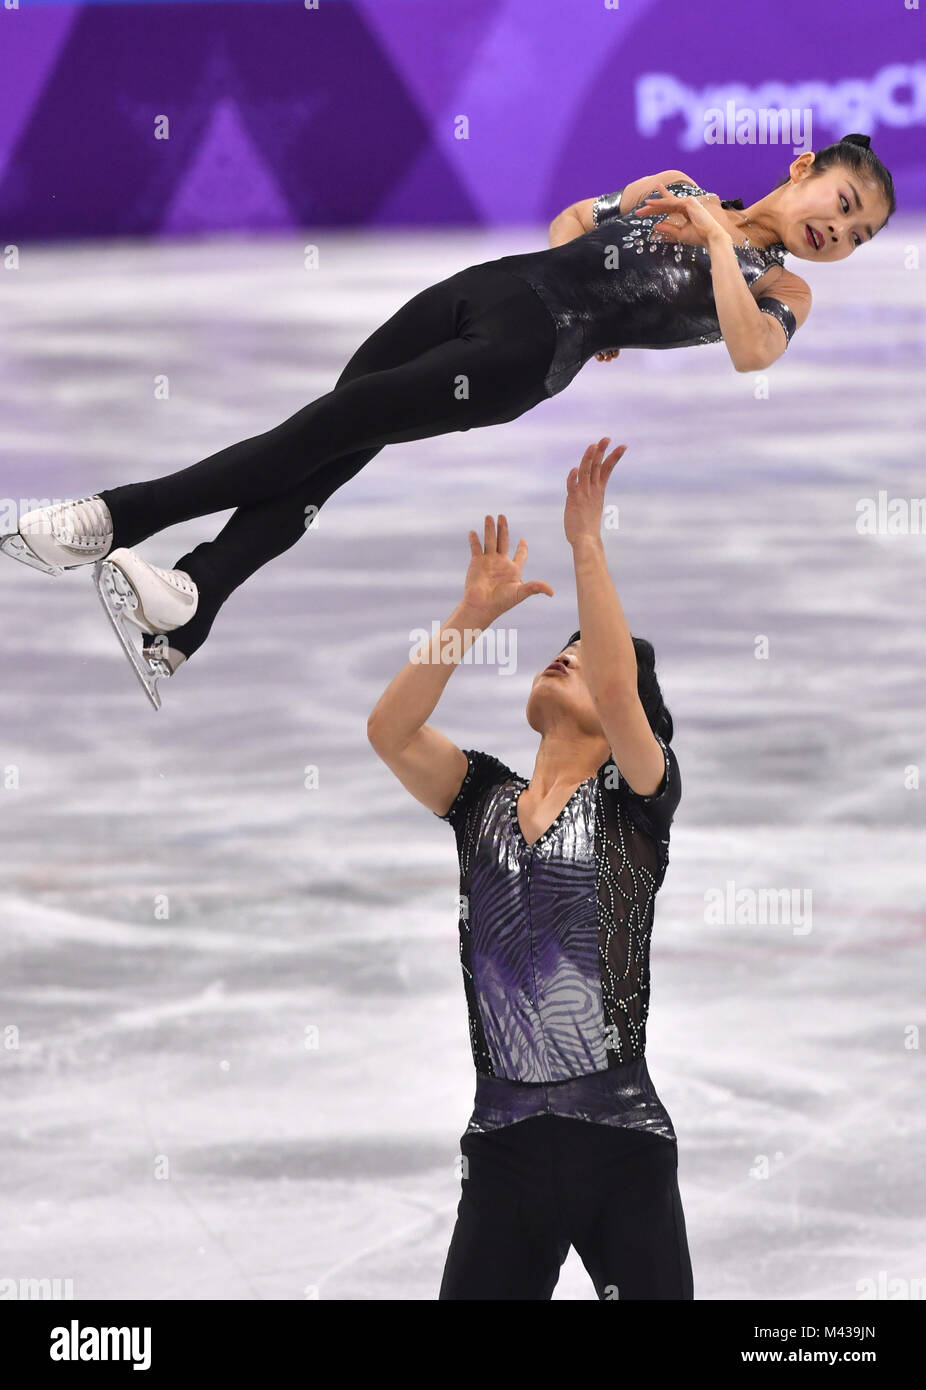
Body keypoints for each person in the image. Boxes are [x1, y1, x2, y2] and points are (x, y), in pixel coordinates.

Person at [2, 136, 893, 707]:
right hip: (492, 288)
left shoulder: (782, 286)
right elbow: (572, 229)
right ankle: (195, 602)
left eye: (857, 237)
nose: (837, 234)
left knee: (337, 423)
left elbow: (749, 350)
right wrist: (626, 206)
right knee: (333, 437)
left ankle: (114, 519)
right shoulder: (687, 190)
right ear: (803, 168)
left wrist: (715, 241)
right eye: (843, 205)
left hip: (523, 358)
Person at [368, 438, 692, 1299]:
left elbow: (623, 695)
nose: (567, 656)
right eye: (566, 648)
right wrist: (471, 615)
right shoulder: (478, 796)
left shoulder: (636, 799)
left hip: (622, 1146)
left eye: (585, 660)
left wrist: (587, 544)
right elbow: (390, 733)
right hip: (503, 1149)